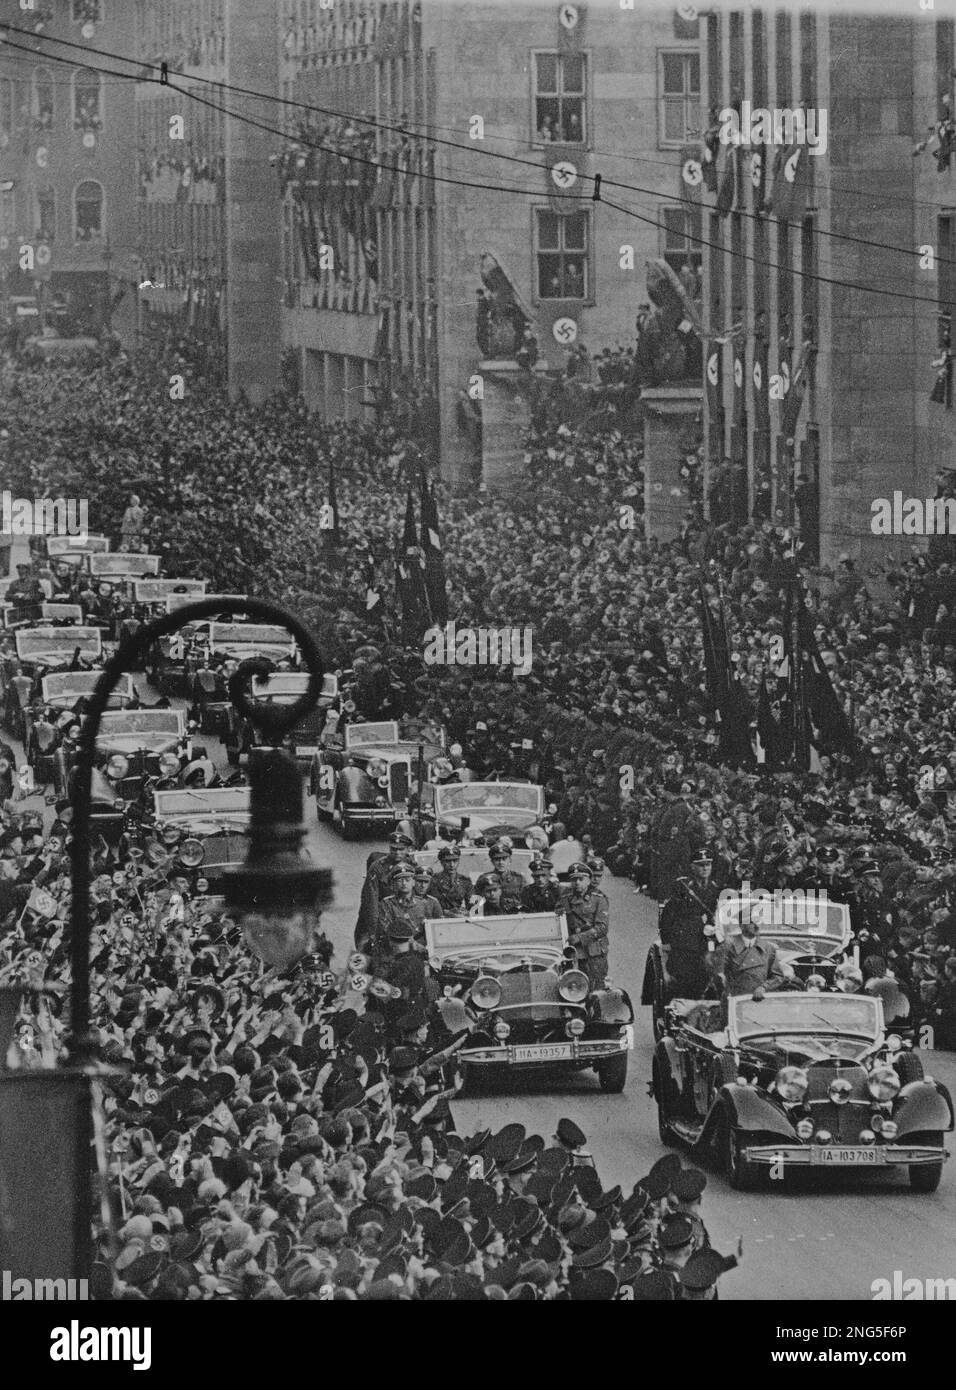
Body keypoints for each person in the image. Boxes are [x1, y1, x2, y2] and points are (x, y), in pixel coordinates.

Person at [657, 854, 718, 999]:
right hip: (685, 944)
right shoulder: (683, 886)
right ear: (693, 867)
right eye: (701, 865)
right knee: (684, 984)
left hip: (708, 942)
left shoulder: (715, 887)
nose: (705, 868)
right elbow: (668, 916)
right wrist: (666, 943)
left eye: (708, 864)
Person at [708, 910, 789, 999]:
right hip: (735, 1002)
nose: (756, 926)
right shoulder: (727, 947)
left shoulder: (768, 948)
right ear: (742, 926)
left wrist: (764, 987)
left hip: (759, 1002)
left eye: (758, 921)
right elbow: (718, 976)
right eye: (751, 922)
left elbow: (778, 977)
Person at [374, 862, 441, 964]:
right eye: (400, 880)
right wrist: (414, 945)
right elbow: (386, 931)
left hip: (422, 956)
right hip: (396, 955)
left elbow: (437, 932)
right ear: (394, 884)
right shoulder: (387, 904)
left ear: (413, 882)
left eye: (407, 880)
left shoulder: (424, 904)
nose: (404, 883)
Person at [561, 862, 610, 987]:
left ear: (588, 880)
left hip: (593, 951)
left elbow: (602, 928)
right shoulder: (565, 898)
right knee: (570, 988)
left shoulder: (599, 898)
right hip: (571, 951)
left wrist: (579, 937)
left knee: (596, 988)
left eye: (581, 879)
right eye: (574, 879)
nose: (577, 882)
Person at [429, 845, 472, 915]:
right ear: (441, 862)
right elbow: (428, 905)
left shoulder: (465, 881)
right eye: (448, 861)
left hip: (459, 918)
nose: (452, 865)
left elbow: (474, 905)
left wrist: (466, 912)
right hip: (439, 919)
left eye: (455, 861)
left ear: (458, 861)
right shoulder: (434, 880)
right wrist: (446, 912)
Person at [487, 841, 528, 912]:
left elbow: (527, 901)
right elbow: (476, 904)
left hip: (514, 917)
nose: (501, 862)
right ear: (492, 861)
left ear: (510, 860)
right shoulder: (485, 879)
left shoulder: (519, 878)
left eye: (504, 859)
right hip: (492, 917)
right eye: (497, 859)